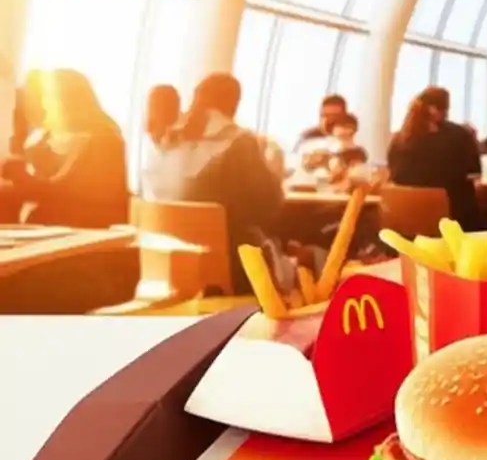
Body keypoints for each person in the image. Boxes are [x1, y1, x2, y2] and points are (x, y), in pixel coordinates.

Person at [145, 73, 284, 293]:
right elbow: (269, 207)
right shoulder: (240, 143)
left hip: (165, 264)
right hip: (229, 267)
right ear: (234, 103)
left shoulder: (165, 140)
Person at [0, 69, 129, 229]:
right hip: (49, 229)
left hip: (85, 235)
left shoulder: (104, 140)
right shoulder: (46, 137)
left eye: (50, 97)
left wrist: (20, 176)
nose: (45, 103)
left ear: (71, 100)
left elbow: (62, 191)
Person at [387, 87, 482, 231]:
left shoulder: (399, 139)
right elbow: (474, 171)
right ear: (442, 109)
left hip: (405, 217)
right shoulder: (458, 135)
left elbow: (394, 176)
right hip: (451, 218)